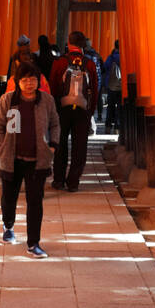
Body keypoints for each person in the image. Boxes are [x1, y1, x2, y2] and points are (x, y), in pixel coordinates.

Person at [0, 61, 60, 258]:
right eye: (25, 80)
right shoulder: (9, 100)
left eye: (33, 79)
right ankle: (8, 225)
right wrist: (1, 147)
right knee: (9, 198)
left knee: (35, 202)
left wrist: (53, 145)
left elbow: (55, 123)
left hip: (37, 160)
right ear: (18, 82)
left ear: (39, 81)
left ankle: (33, 243)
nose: (29, 83)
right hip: (12, 158)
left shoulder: (46, 101)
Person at [48, 32, 99, 192]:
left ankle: (58, 180)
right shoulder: (89, 64)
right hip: (82, 110)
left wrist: (54, 109)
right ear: (83, 45)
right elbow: (95, 89)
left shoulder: (60, 62)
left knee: (60, 144)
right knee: (80, 147)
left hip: (62, 109)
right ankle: (73, 182)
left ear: (69, 43)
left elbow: (53, 86)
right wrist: (90, 111)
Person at [102, 39, 122, 131]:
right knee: (120, 107)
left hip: (111, 86)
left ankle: (108, 127)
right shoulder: (124, 57)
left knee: (110, 106)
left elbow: (105, 67)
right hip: (122, 86)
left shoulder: (111, 57)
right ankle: (117, 128)